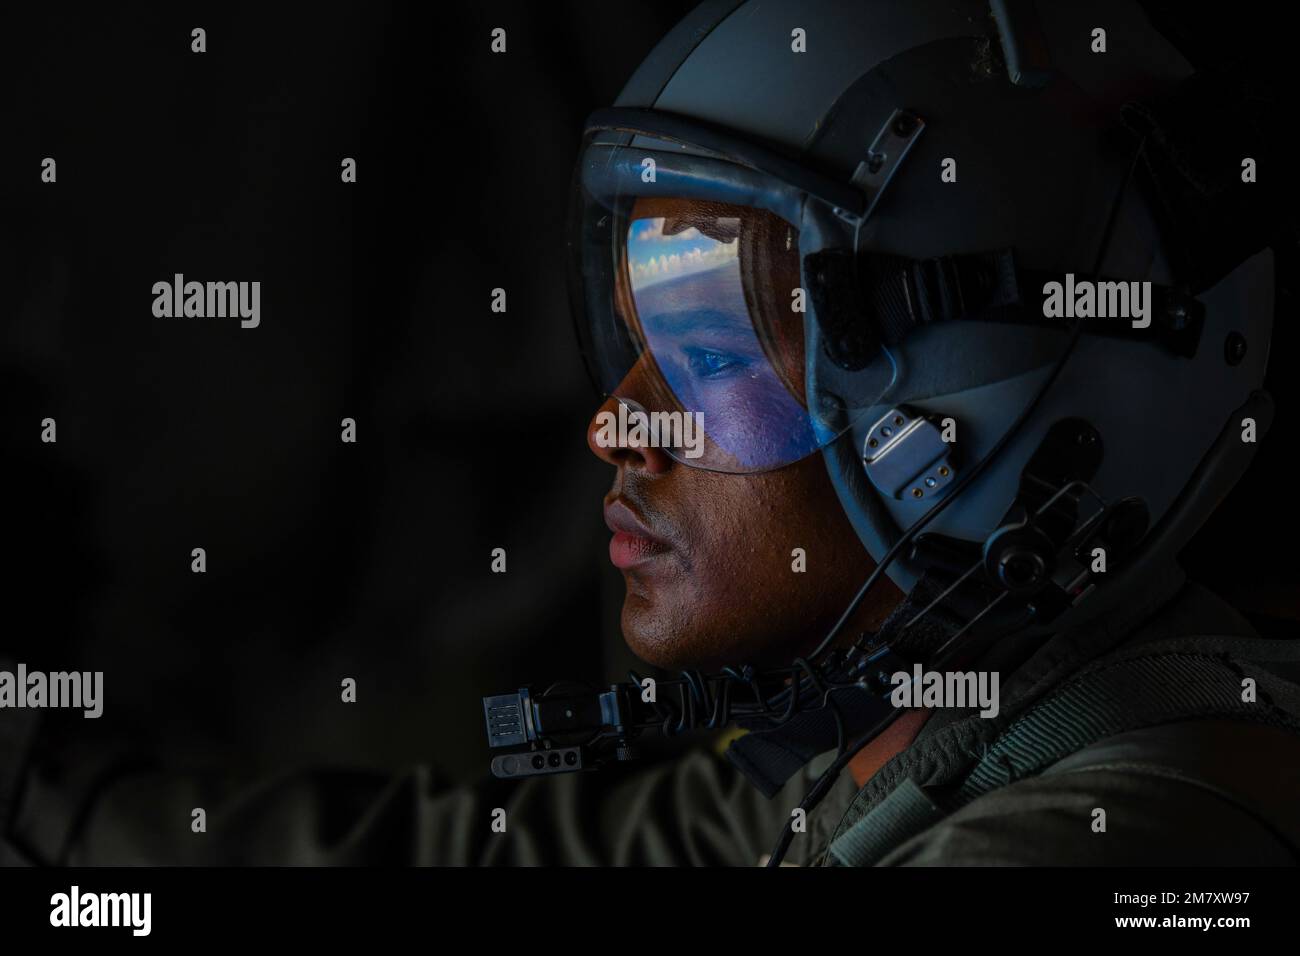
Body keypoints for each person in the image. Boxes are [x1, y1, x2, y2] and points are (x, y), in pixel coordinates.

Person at [5, 0, 1300, 867]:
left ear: (991, 420)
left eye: (713, 352)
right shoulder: (893, 749)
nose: (619, 422)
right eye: (634, 342)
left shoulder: (1122, 836)